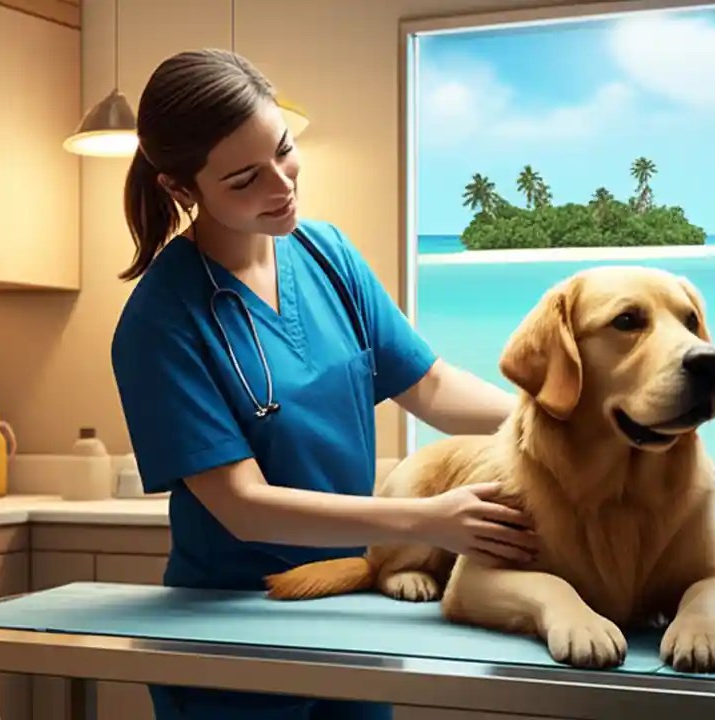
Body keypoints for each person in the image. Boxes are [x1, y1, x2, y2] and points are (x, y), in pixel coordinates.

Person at [110, 48, 540, 720]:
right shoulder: (161, 321)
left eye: (284, 151)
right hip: (234, 631)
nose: (280, 186)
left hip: (349, 617)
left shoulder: (328, 255)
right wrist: (430, 521)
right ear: (181, 190)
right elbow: (243, 504)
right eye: (245, 179)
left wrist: (556, 425)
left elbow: (427, 386)